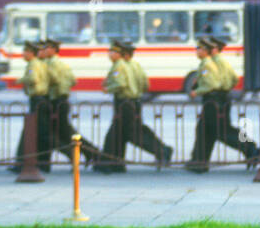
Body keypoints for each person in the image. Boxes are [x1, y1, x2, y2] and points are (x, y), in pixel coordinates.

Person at [97, 41, 173, 172]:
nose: (110, 54)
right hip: (134, 102)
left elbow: (120, 84)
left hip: (124, 103)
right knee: (122, 134)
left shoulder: (119, 66)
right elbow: (145, 84)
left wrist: (107, 89)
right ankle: (115, 163)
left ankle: (110, 163)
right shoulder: (135, 65)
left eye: (112, 52)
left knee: (128, 134)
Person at [187, 37, 258, 172]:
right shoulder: (218, 61)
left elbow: (215, 83)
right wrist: (225, 90)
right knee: (207, 131)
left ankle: (250, 148)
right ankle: (199, 161)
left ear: (214, 49)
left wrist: (218, 90)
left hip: (215, 100)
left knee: (221, 132)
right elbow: (234, 79)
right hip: (219, 98)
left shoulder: (215, 62)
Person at [41, 38, 102, 168]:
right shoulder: (63, 64)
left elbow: (54, 79)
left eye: (46, 48)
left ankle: (89, 152)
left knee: (64, 133)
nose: (44, 50)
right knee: (65, 131)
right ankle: (90, 152)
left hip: (56, 100)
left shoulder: (50, 64)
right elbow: (73, 81)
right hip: (63, 99)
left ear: (53, 49)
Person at [9, 40, 52, 172]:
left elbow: (33, 79)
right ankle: (41, 162)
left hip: (37, 100)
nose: (23, 54)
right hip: (42, 100)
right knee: (40, 133)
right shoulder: (41, 63)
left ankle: (24, 163)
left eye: (25, 51)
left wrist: (20, 80)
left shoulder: (33, 64)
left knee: (31, 133)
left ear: (30, 53)